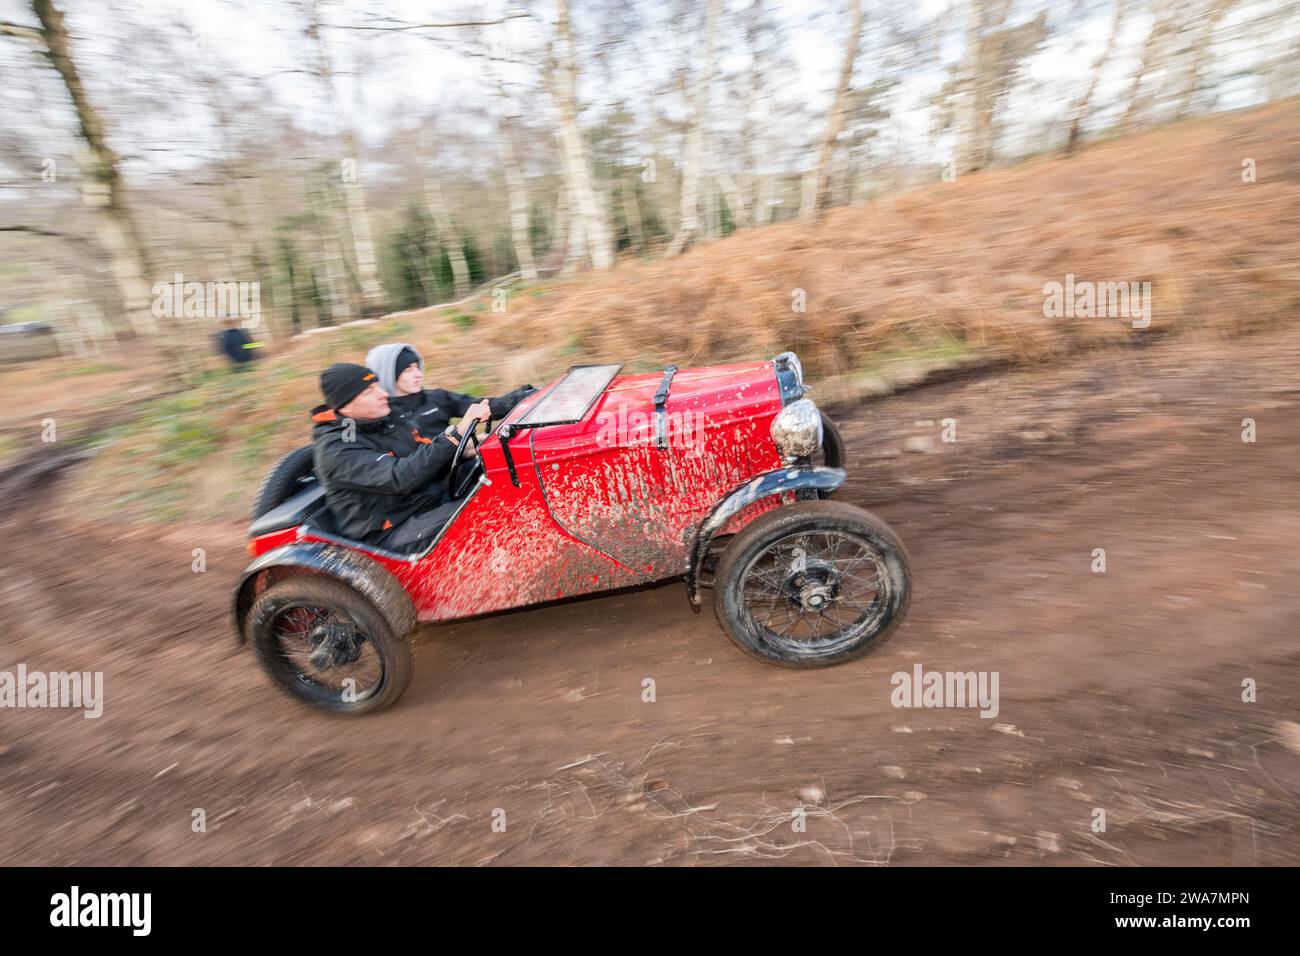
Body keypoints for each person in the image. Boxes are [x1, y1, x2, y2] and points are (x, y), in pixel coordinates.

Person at [310, 363, 490, 552]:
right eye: (369, 391)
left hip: (426, 499)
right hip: (392, 530)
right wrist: (455, 436)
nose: (383, 393)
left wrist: (466, 448)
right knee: (485, 511)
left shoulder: (381, 419)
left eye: (378, 386)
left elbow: (421, 450)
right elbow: (400, 477)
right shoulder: (337, 449)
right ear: (345, 408)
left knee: (500, 474)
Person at [363, 342, 535, 446]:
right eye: (408, 370)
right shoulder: (384, 416)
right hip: (433, 493)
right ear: (388, 374)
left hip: (462, 470)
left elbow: (485, 406)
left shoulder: (435, 398)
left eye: (417, 367)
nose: (418, 374)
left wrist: (528, 394)